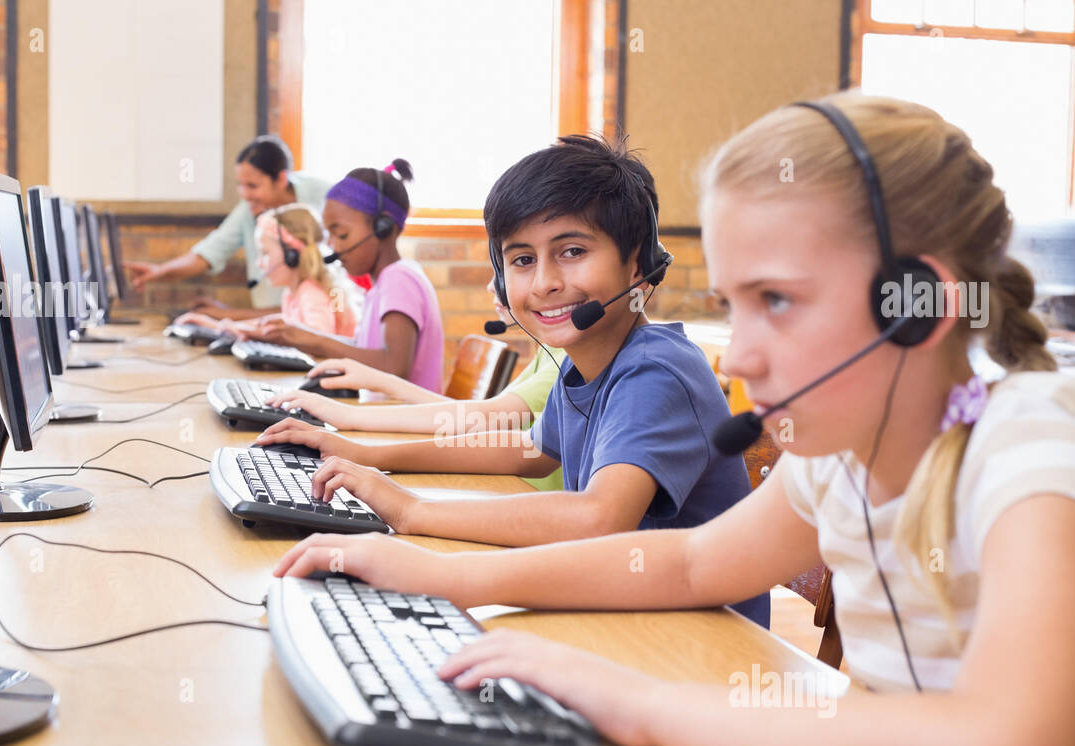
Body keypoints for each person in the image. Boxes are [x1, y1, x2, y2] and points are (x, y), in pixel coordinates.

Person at [269, 94, 1075, 746]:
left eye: (779, 302)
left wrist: (640, 705)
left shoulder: (1032, 454)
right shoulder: (837, 447)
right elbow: (686, 560)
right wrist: (442, 578)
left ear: (919, 303)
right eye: (734, 304)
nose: (743, 355)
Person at [260, 134, 767, 626]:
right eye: (523, 260)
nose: (545, 282)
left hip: (698, 641)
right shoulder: (581, 363)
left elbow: (597, 518)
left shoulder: (656, 369)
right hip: (626, 608)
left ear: (638, 261)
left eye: (572, 251)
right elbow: (526, 451)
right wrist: (367, 453)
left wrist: (413, 512)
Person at [263, 281, 564, 490]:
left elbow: (484, 419)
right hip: (512, 491)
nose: (490, 285)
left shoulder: (564, 359)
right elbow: (484, 419)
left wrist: (351, 420)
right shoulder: (549, 352)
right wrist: (383, 382)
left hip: (523, 497)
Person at [236, 161, 446, 392]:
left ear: (383, 227)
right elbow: (363, 349)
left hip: (403, 424)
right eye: (330, 236)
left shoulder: (399, 279)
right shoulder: (383, 284)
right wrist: (298, 335)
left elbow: (394, 366)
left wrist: (315, 341)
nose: (334, 248)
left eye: (342, 235)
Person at [122, 135, 330, 319]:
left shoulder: (325, 199)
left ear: (281, 179)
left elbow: (310, 314)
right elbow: (208, 252)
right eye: (240, 184)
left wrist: (228, 315)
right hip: (275, 323)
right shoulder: (250, 208)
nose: (244, 194)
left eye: (252, 186)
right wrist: (159, 271)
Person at [176, 204, 357, 338]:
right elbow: (271, 325)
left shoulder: (312, 294)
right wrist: (220, 326)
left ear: (291, 255)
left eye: (265, 253)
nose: (259, 263)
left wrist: (234, 329)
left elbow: (318, 341)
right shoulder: (292, 293)